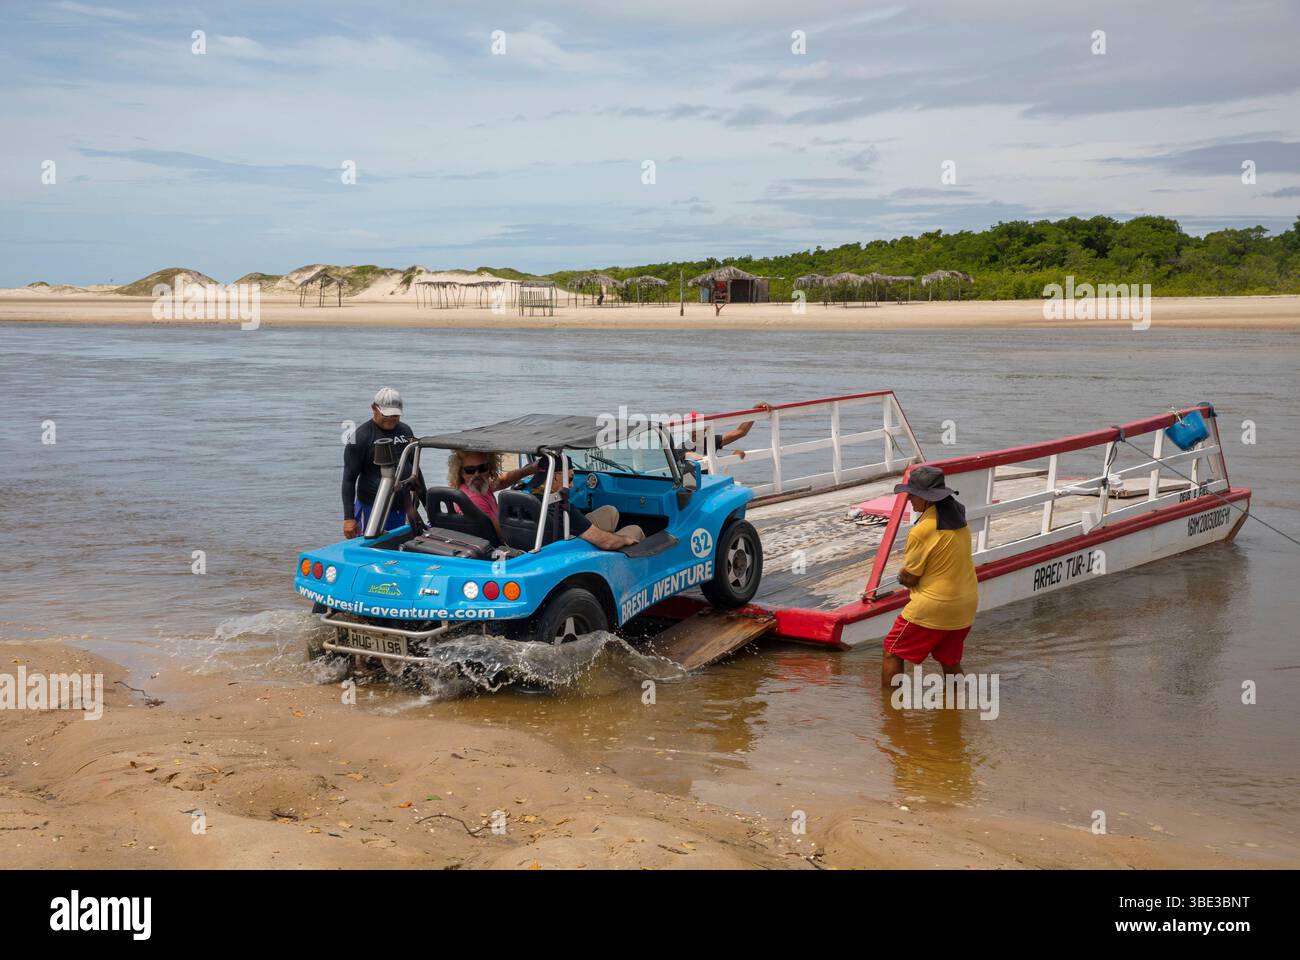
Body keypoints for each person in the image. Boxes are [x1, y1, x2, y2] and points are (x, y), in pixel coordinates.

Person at [878, 466, 979, 686]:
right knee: (949, 661)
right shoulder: (958, 519)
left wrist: (900, 577)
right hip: (965, 605)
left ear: (925, 498)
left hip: (934, 605)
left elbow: (911, 577)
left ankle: (890, 715)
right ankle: (956, 710)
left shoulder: (921, 529)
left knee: (892, 650)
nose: (910, 500)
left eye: (912, 495)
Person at [342, 387, 415, 539]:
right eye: (387, 415)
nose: (391, 419)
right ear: (374, 408)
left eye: (395, 415)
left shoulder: (406, 431)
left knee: (396, 549)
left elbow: (415, 468)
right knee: (372, 549)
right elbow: (349, 479)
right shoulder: (361, 437)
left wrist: (425, 502)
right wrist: (349, 518)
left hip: (401, 506)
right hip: (372, 507)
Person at [535, 454, 644, 550]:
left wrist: (531, 469)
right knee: (636, 530)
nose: (571, 485)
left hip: (554, 535)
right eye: (570, 478)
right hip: (574, 546)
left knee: (610, 511)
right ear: (554, 477)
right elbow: (606, 543)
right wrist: (624, 539)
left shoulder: (526, 495)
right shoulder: (562, 509)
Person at [447, 450, 538, 534]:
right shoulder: (474, 500)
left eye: (483, 468)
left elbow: (503, 481)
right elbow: (502, 535)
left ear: (490, 468)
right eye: (470, 470)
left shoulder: (476, 486)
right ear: (461, 472)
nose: (477, 474)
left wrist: (530, 469)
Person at [681, 401, 773, 463]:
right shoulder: (681, 447)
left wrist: (755, 410)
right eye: (690, 429)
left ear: (705, 429)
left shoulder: (710, 441)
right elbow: (695, 457)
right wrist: (728, 458)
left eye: (696, 429)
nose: (693, 432)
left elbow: (741, 432)